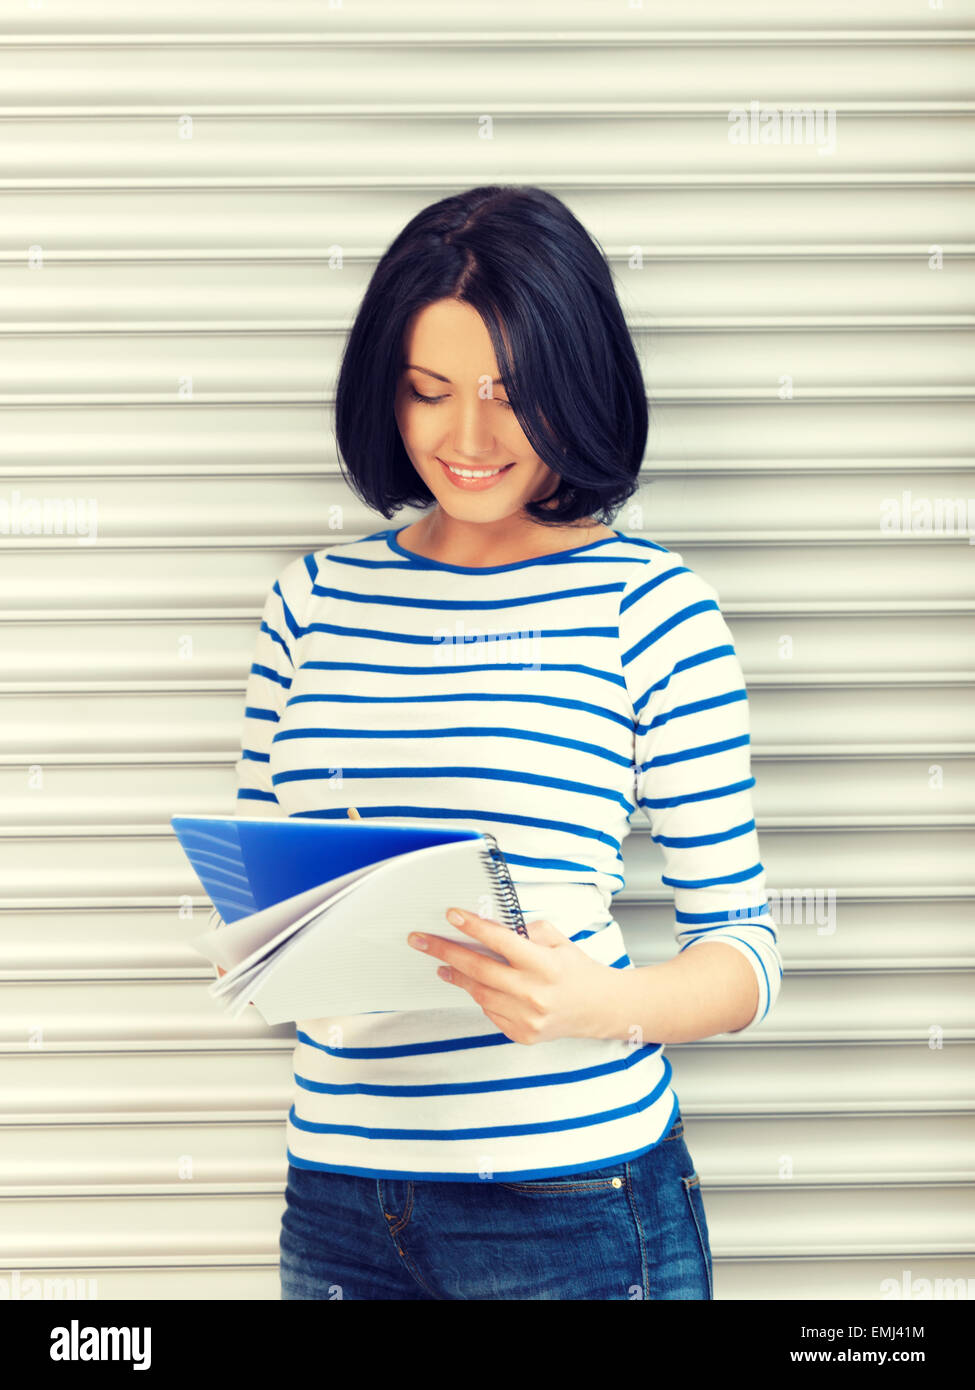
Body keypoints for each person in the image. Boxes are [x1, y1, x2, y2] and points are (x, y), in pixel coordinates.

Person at [231, 185, 783, 1299]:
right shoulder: (309, 602)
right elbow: (265, 909)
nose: (468, 440)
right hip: (340, 1200)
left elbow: (746, 955)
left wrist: (600, 1004)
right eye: (429, 394)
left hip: (569, 1204)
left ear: (576, 387)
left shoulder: (651, 607)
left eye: (508, 397)